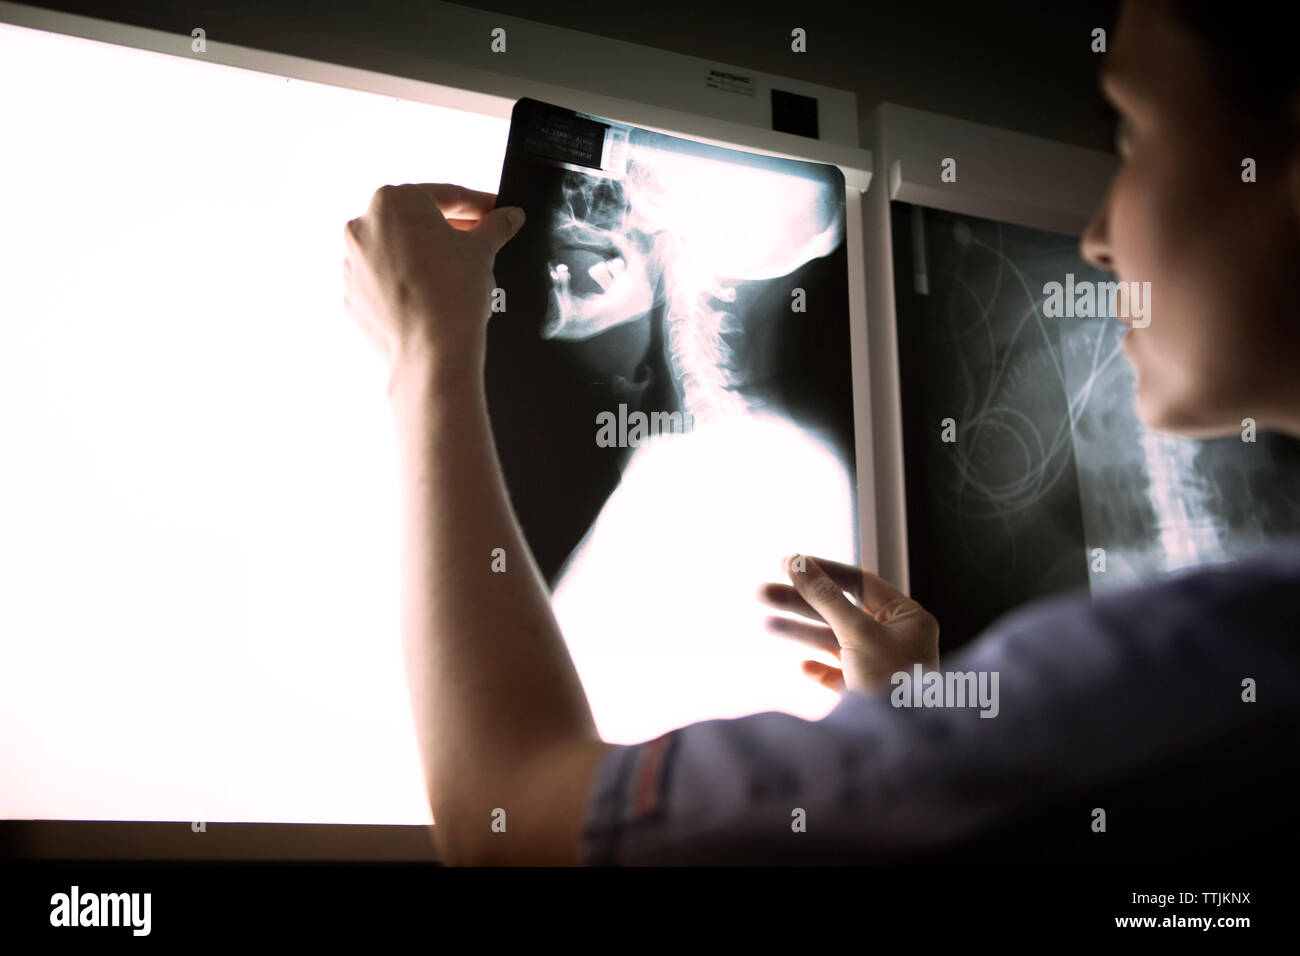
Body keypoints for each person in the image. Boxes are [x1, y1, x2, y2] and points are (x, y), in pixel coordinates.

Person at [341, 0, 1300, 865]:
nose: (1096, 234)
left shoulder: (1223, 657)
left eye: (1131, 132)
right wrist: (922, 732)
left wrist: (427, 354)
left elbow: (509, 823)